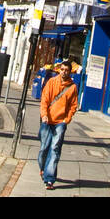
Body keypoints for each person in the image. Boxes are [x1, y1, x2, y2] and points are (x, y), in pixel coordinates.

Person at [37, 59, 79, 189]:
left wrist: (67, 119)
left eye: (67, 70)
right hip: (47, 120)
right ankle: (43, 168)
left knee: (55, 149)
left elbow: (73, 106)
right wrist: (44, 115)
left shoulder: (72, 87)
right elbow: (44, 99)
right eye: (62, 69)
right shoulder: (51, 82)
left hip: (60, 122)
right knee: (44, 148)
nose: (64, 72)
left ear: (70, 72)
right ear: (59, 70)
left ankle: (49, 179)